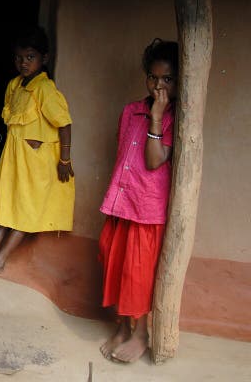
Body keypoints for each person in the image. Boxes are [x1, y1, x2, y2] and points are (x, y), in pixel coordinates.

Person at [0, 27, 74, 277]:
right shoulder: (14, 85)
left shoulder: (45, 90)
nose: (23, 63)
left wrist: (65, 159)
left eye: (30, 57)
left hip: (36, 163)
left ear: (44, 58)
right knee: (7, 205)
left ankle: (0, 259)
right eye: (19, 57)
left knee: (26, 210)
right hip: (15, 157)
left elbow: (64, 124)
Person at [98, 39, 178, 363]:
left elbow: (154, 160)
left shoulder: (175, 118)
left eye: (167, 79)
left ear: (178, 81)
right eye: (153, 78)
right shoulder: (130, 111)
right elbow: (123, 155)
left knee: (138, 274)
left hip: (146, 209)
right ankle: (121, 327)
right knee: (115, 265)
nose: (159, 86)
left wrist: (156, 118)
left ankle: (141, 333)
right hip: (122, 201)